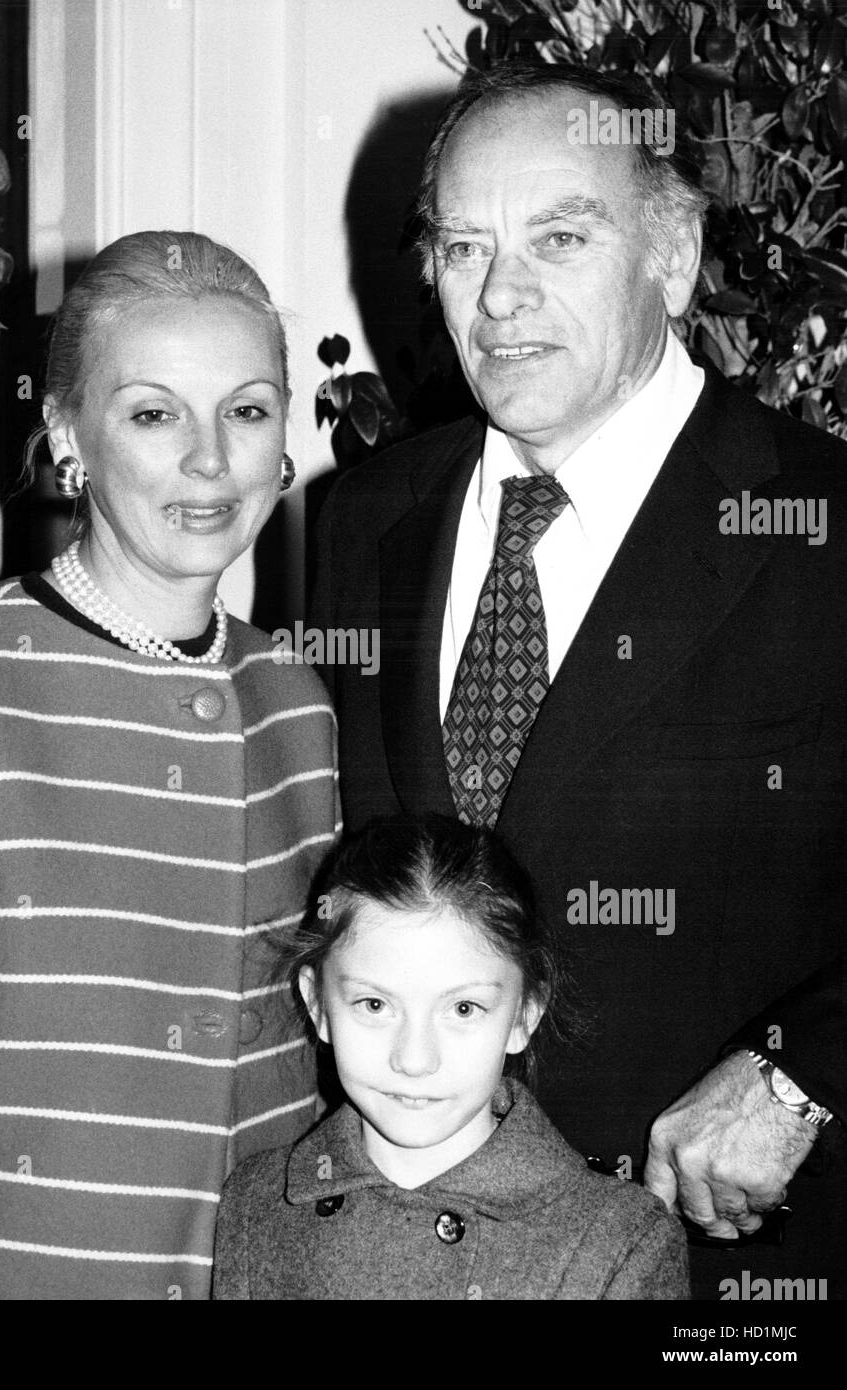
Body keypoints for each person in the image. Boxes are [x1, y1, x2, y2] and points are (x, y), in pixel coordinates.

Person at [308, 59, 846, 1299]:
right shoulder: (362, 518)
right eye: (459, 248)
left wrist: (799, 1072)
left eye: (559, 236)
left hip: (729, 1269)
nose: (500, 295)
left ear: (669, 257)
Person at [0, 231, 339, 1301]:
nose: (208, 460)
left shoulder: (296, 699)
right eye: (152, 413)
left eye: (245, 410)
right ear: (66, 436)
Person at [212, 814, 688, 1299]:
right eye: (374, 1005)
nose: (415, 1060)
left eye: (463, 1008)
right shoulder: (256, 1203)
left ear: (523, 1016)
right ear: (318, 1004)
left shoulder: (620, 1241)